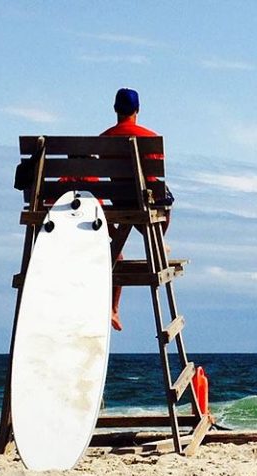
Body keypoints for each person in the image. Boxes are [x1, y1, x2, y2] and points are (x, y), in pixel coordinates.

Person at [100, 88, 166, 331]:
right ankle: (157, 241)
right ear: (137, 111)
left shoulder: (102, 139)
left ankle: (113, 308)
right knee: (165, 201)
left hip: (116, 202)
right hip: (141, 203)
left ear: (115, 109)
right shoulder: (150, 137)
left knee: (116, 249)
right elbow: (154, 179)